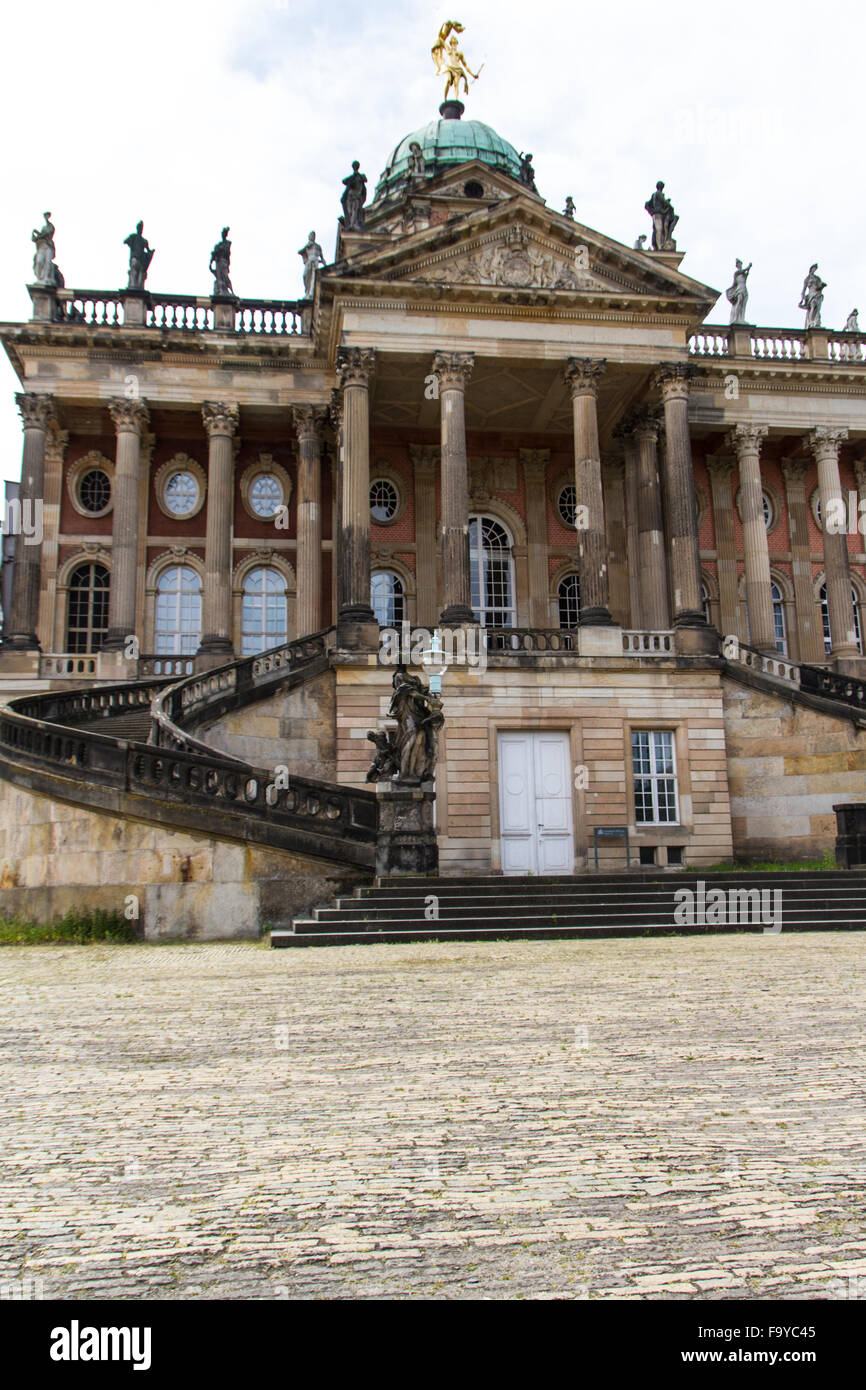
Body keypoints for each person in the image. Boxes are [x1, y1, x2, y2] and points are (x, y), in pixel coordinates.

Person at [644, 181, 678, 250]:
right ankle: (659, 246)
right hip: (658, 214)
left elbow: (647, 204)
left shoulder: (655, 194)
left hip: (659, 214)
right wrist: (669, 205)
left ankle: (661, 244)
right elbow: (663, 202)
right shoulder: (658, 194)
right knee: (659, 229)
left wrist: (651, 211)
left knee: (661, 230)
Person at [124, 221, 154, 289]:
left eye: (141, 228)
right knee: (134, 272)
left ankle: (137, 287)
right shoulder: (133, 237)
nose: (140, 229)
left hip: (141, 259)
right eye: (139, 228)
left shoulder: (144, 241)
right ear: (137, 228)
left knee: (140, 273)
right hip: (135, 257)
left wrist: (151, 252)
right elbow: (125, 241)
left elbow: (148, 250)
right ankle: (133, 287)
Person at [341, 162, 367, 232]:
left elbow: (365, 179)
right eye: (354, 166)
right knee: (350, 212)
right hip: (350, 196)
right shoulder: (352, 177)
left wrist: (357, 175)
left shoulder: (360, 176)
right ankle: (351, 223)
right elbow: (344, 181)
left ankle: (353, 225)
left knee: (355, 211)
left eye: (356, 166)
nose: (355, 167)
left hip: (356, 196)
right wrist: (353, 177)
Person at [298, 231, 325, 297]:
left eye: (313, 236)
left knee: (314, 277)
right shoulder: (307, 246)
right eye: (310, 235)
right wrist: (306, 247)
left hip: (315, 261)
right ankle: (307, 290)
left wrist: (324, 264)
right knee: (305, 275)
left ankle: (311, 293)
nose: (311, 237)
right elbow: (299, 252)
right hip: (309, 261)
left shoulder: (318, 246)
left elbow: (322, 257)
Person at [799, 264, 826, 329]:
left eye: (815, 269)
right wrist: (802, 299)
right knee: (813, 307)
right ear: (811, 269)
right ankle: (811, 322)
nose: (814, 270)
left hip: (818, 293)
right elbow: (804, 289)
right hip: (811, 294)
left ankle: (816, 322)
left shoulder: (817, 278)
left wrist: (822, 286)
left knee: (817, 309)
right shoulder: (807, 279)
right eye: (813, 268)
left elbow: (819, 287)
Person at [31, 213, 56, 285]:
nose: (46, 217)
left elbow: (46, 234)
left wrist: (37, 234)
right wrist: (34, 233)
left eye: (47, 216)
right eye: (45, 216)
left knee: (48, 262)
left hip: (48, 247)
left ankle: (46, 278)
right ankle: (40, 278)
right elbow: (36, 238)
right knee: (39, 261)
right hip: (41, 247)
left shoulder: (51, 226)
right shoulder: (43, 228)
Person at [725, 258, 752, 324]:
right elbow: (743, 271)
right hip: (739, 289)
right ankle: (736, 318)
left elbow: (745, 277)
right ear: (737, 265)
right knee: (739, 302)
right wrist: (748, 267)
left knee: (743, 303)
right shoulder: (737, 273)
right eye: (738, 264)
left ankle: (741, 318)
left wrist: (748, 270)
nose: (740, 265)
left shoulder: (743, 273)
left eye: (740, 264)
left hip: (744, 288)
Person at [209, 227, 233, 296]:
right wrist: (211, 263)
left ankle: (231, 291)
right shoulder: (218, 245)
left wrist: (217, 251)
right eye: (223, 233)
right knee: (219, 277)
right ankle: (220, 291)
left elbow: (226, 251)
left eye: (224, 233)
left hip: (223, 262)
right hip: (218, 262)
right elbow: (214, 255)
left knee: (225, 277)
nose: (223, 235)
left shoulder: (227, 243)